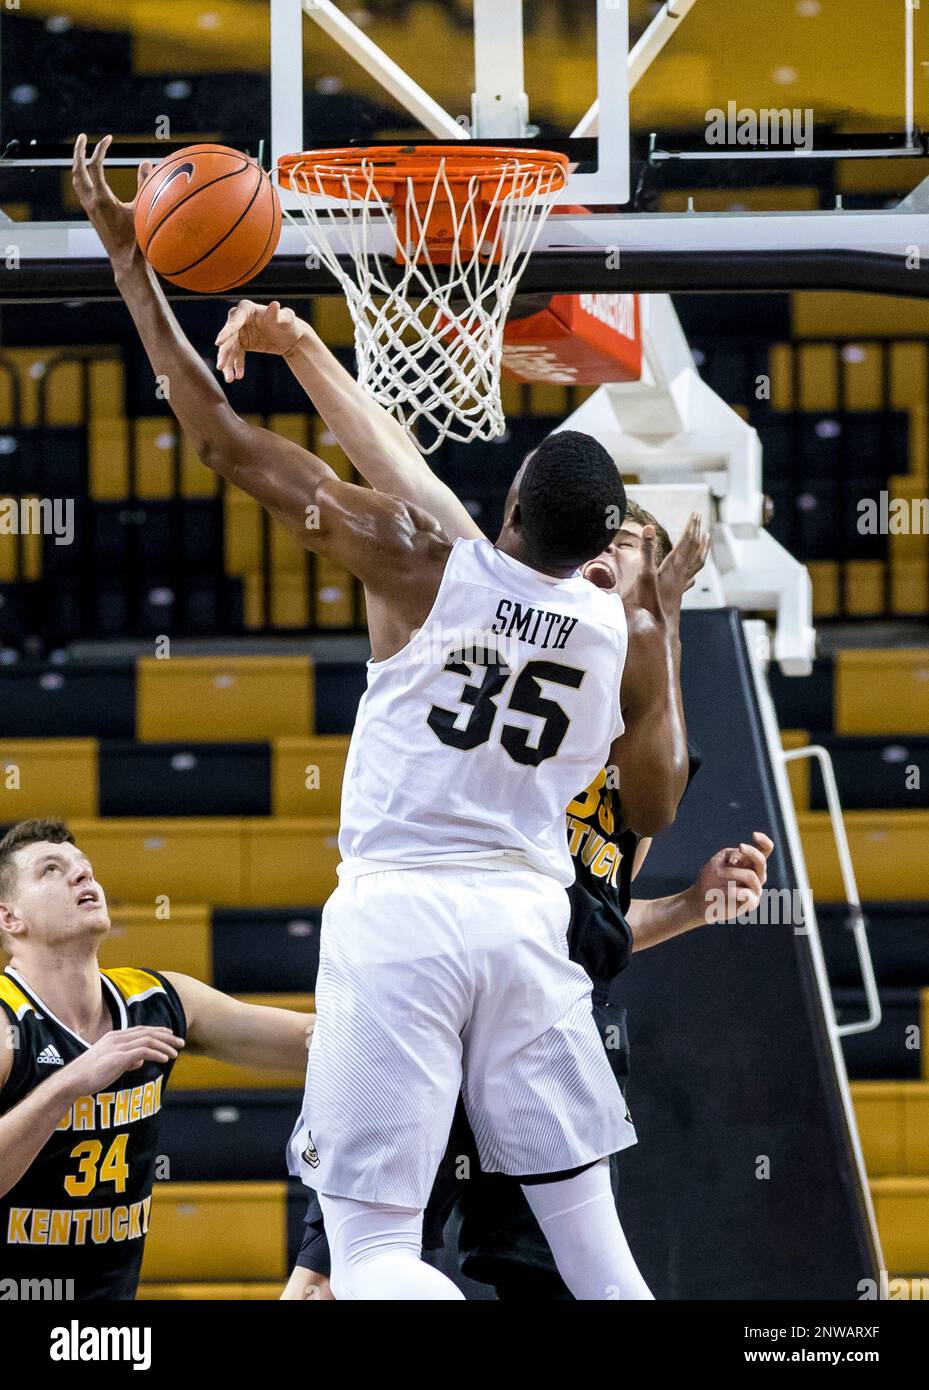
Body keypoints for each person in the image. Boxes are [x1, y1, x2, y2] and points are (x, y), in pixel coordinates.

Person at [73, 134, 692, 1300]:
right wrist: (306, 347)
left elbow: (222, 444)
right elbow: (652, 795)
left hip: (401, 913)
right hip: (527, 924)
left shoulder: (423, 567)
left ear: (506, 502)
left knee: (368, 1254)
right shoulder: (621, 628)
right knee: (594, 1246)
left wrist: (130, 267)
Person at [215, 302, 771, 1302]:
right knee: (349, 1278)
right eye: (612, 547)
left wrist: (296, 346)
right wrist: (652, 611)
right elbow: (413, 482)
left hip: (448, 967)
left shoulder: (558, 641)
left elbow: (606, 906)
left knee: (391, 1263)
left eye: (631, 556)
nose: (616, 562)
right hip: (484, 972)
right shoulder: (568, 624)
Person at [0, 817, 313, 1300]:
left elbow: (311, 1045)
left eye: (85, 868)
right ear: (10, 918)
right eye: (51, 870)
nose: (84, 877)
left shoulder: (159, 999)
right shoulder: (8, 1023)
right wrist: (67, 1085)